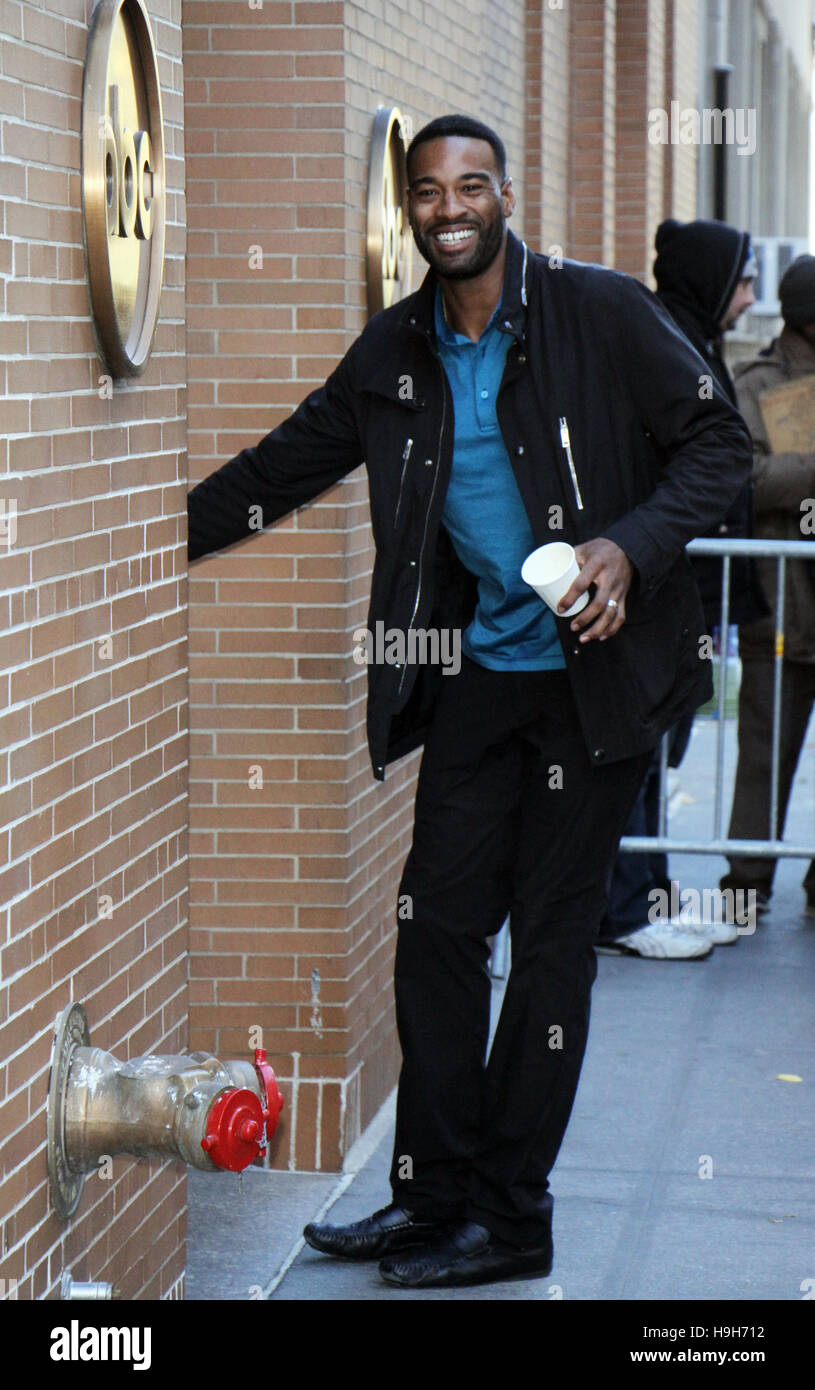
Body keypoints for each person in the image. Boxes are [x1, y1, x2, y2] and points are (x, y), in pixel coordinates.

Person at [186, 115, 751, 1288]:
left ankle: (511, 1216)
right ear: (410, 210)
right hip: (481, 683)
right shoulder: (395, 349)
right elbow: (283, 466)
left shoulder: (597, 313)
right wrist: (141, 541)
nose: (450, 206)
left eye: (471, 185)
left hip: (594, 686)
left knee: (548, 954)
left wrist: (627, 548)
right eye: (428, 190)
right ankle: (430, 1194)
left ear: (503, 196)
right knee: (432, 934)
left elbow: (717, 444)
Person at [596, 217, 765, 960]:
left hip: (681, 590)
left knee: (659, 753)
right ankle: (624, 913)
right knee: (640, 753)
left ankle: (646, 899)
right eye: (742, 279)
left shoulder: (693, 340)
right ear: (711, 282)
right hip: (655, 588)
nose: (750, 294)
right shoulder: (666, 340)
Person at [720, 254, 815, 917]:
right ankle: (745, 883)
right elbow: (740, 482)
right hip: (784, 601)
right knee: (763, 749)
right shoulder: (752, 382)